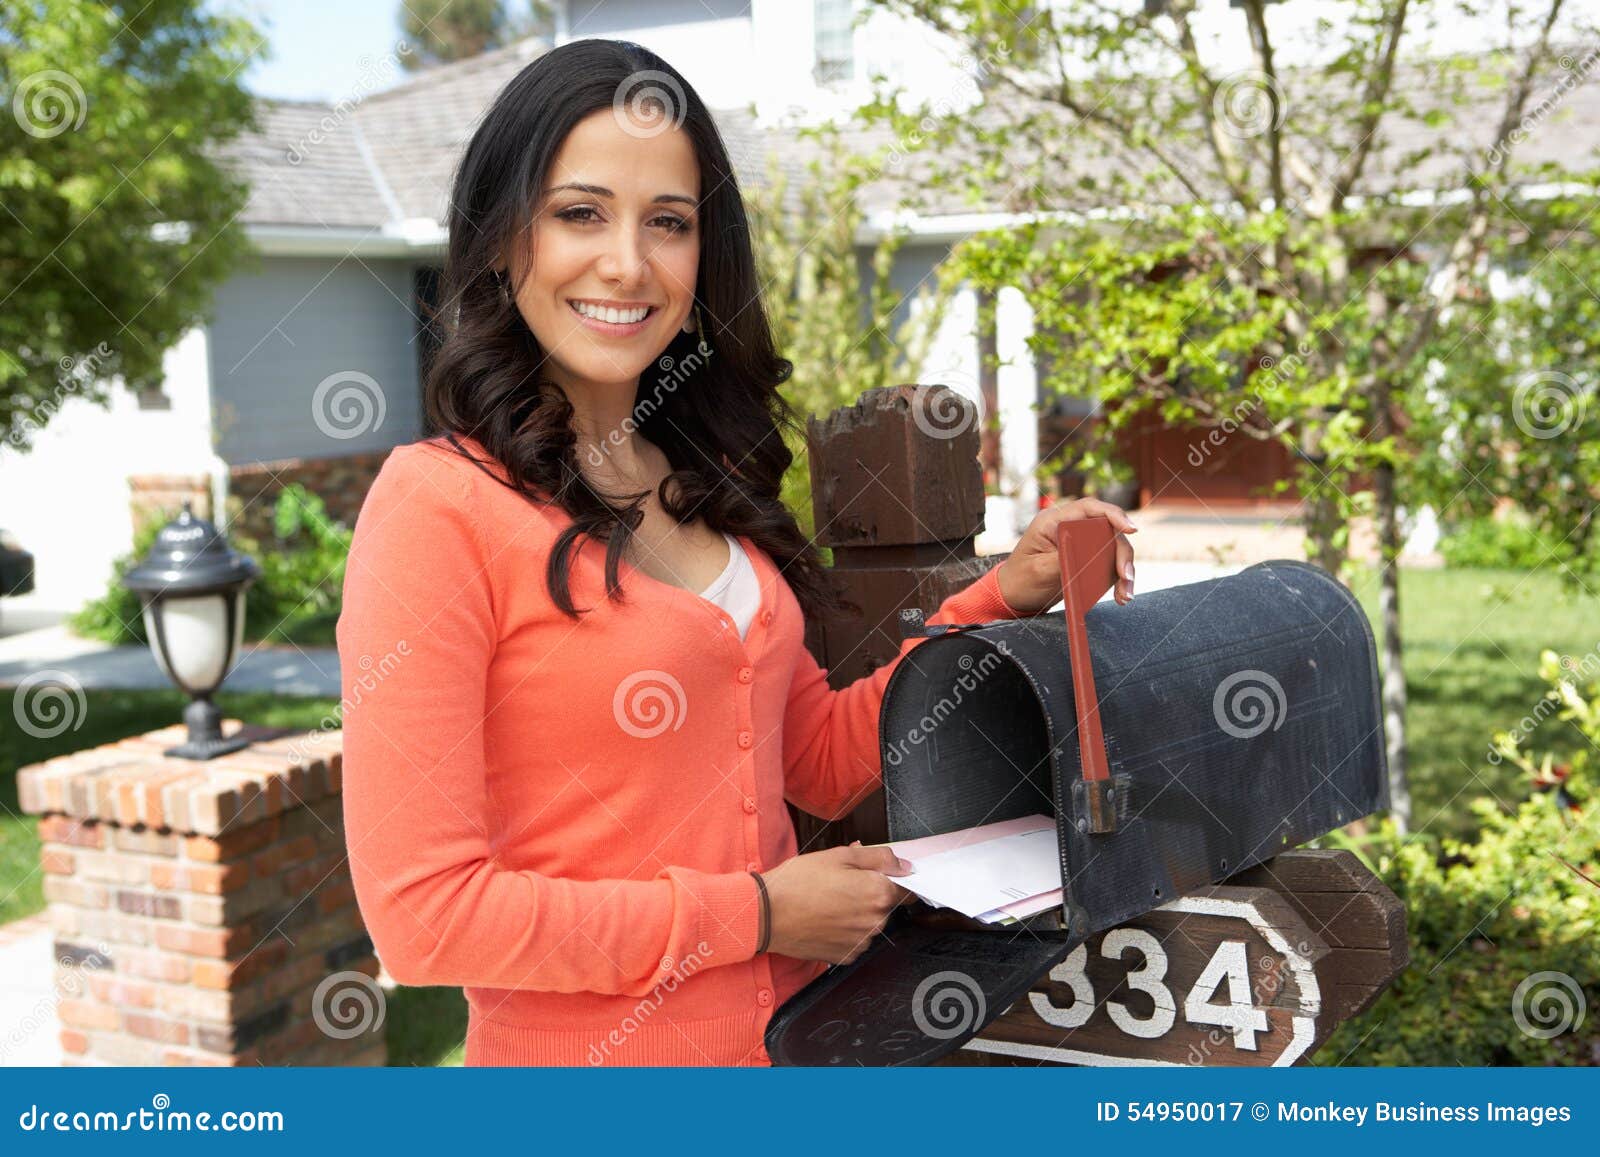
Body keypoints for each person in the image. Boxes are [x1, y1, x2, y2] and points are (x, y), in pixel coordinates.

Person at [334, 37, 1137, 1067]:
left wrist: (998, 594)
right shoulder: (439, 506)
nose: (627, 262)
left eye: (668, 223)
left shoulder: (699, 475)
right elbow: (426, 916)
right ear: (500, 240)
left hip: (803, 1051)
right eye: (580, 213)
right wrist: (753, 913)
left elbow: (810, 754)